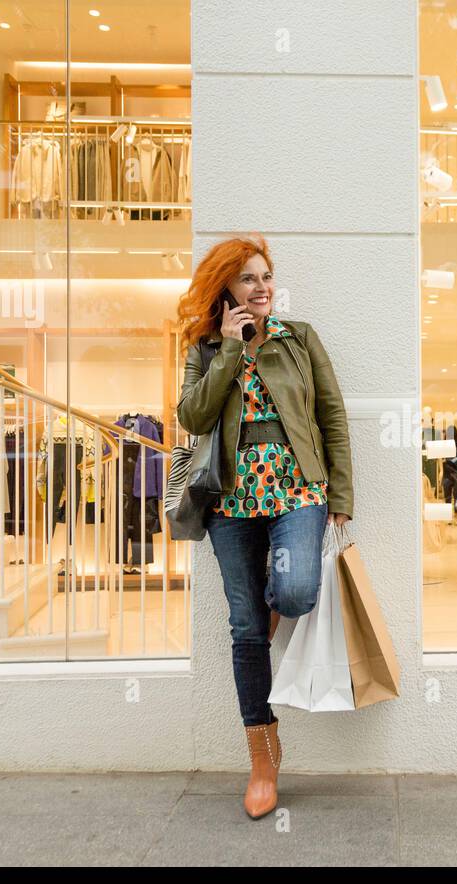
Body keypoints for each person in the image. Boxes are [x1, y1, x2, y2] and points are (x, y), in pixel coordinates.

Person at [175, 234, 353, 820]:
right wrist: (229, 350)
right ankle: (262, 755)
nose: (261, 286)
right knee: (245, 628)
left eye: (266, 276)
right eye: (248, 278)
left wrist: (341, 494)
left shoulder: (298, 338)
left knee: (296, 589)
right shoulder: (204, 348)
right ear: (225, 287)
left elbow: (331, 413)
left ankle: (265, 612)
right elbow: (193, 416)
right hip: (231, 502)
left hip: (297, 491)